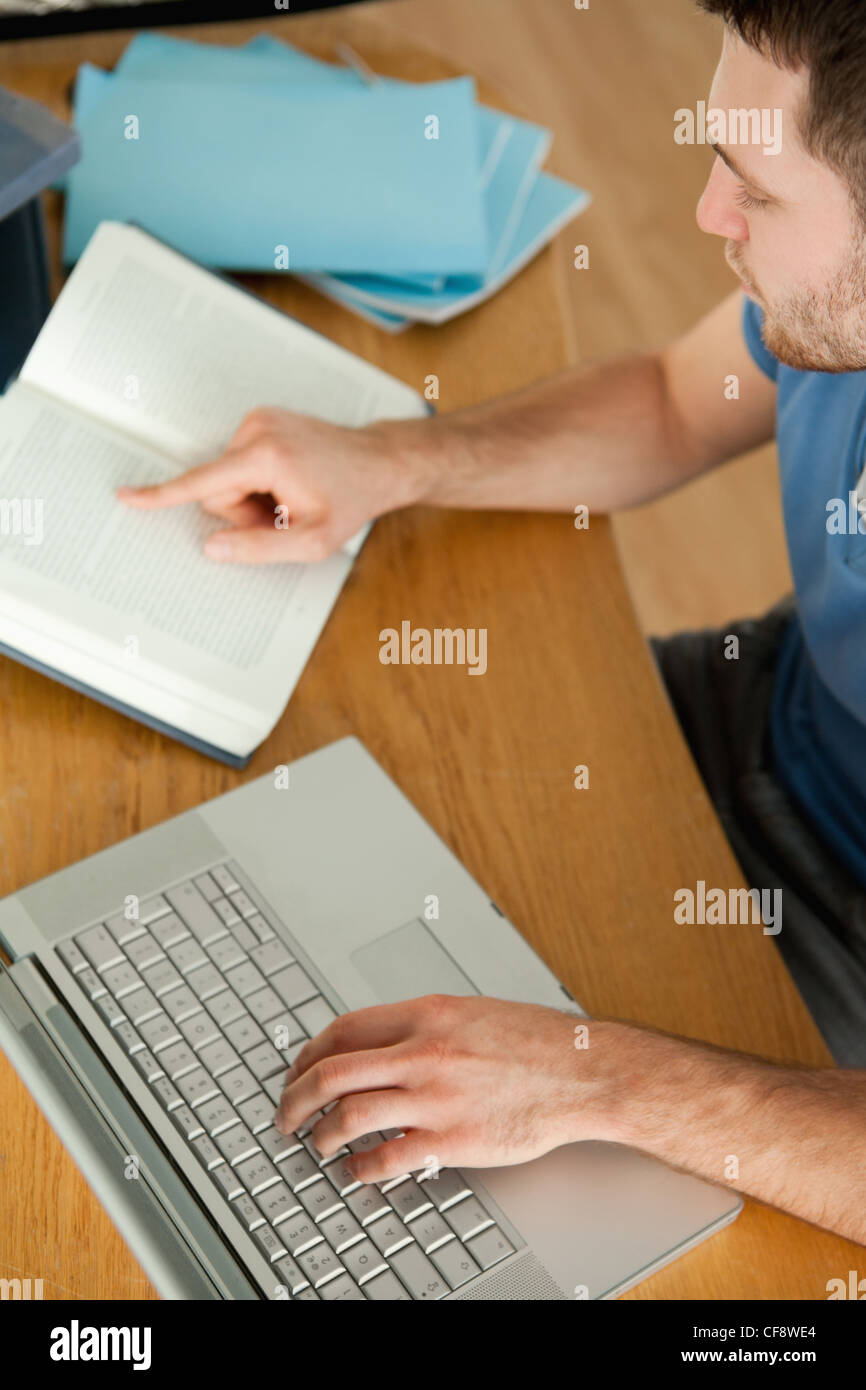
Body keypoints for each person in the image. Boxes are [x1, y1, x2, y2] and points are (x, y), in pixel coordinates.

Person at [118, 1, 866, 1245]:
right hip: (764, 716)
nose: (705, 214)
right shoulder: (833, 311)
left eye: (755, 190)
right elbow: (678, 404)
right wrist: (394, 460)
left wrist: (598, 1078)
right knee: (291, 822)